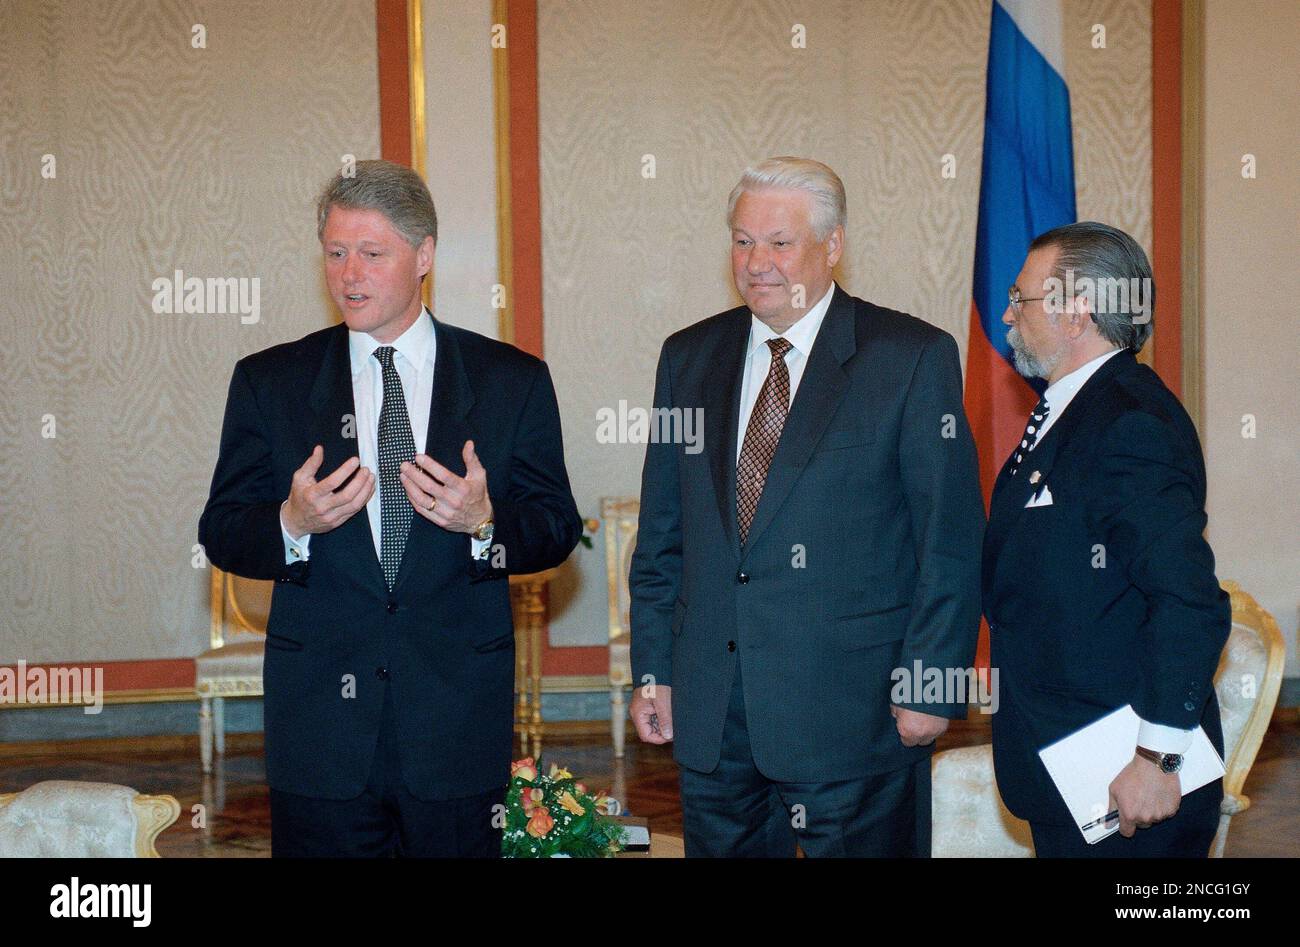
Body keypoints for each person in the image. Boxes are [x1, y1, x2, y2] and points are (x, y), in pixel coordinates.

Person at [198, 159, 582, 857]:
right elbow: (222, 529)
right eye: (336, 253)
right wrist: (291, 524)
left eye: (372, 254)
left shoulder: (510, 381)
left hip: (455, 724)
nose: (350, 274)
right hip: (320, 730)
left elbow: (557, 527)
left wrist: (484, 525)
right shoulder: (269, 381)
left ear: (424, 254)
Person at [628, 156, 985, 857]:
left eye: (780, 242)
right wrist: (655, 671)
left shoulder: (910, 358)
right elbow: (662, 535)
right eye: (742, 240)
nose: (757, 262)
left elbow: (949, 539)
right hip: (713, 714)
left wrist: (931, 680)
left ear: (833, 245)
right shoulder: (687, 358)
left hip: (858, 715)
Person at [984, 221, 1229, 857]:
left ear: (1076, 310)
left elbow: (1188, 599)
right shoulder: (1075, 409)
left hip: (1127, 783)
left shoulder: (1128, 423)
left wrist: (1158, 759)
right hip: (1069, 763)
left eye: (1022, 298)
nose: (1007, 315)